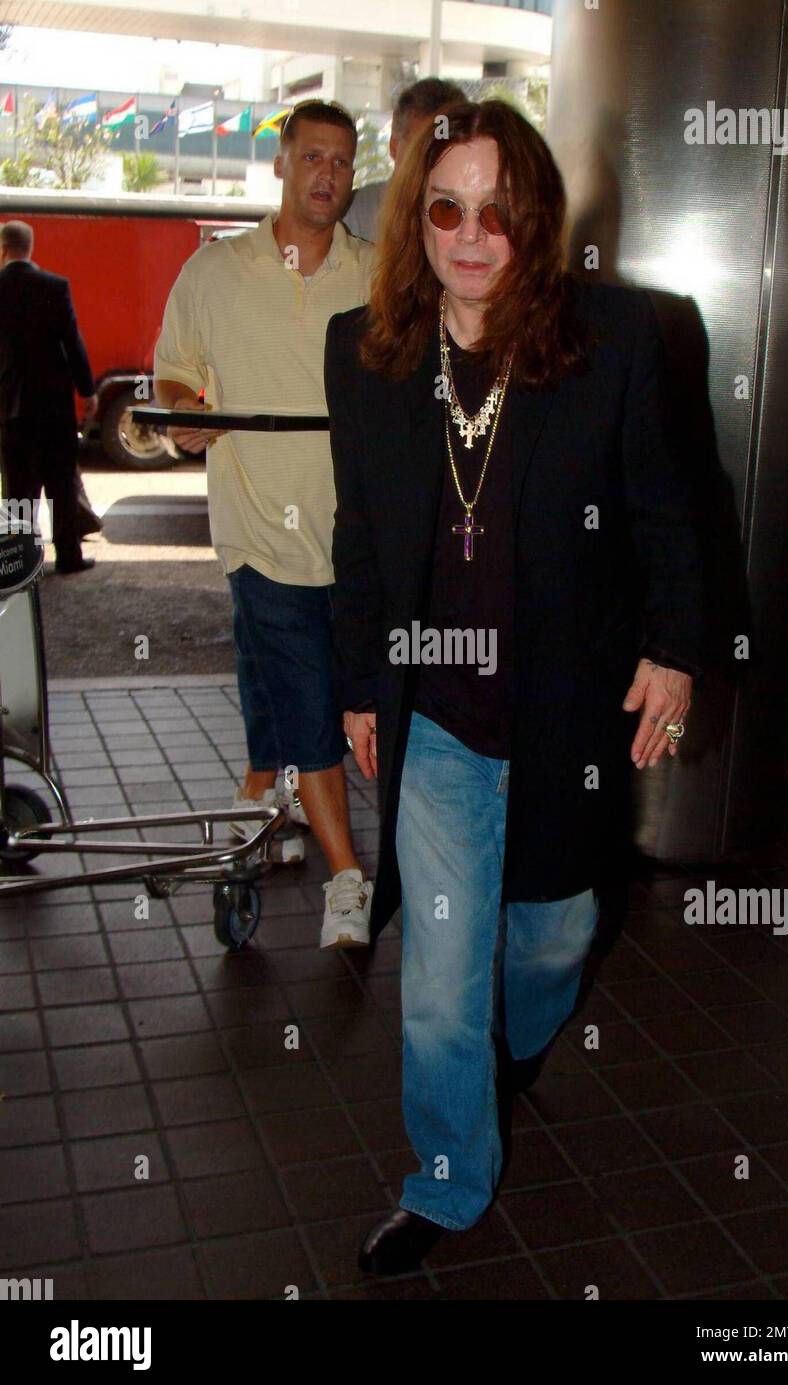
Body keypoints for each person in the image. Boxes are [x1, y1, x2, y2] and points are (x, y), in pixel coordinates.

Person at [325, 99, 706, 1274]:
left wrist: (676, 649)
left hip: (563, 720)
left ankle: (509, 1057)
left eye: (499, 210)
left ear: (533, 220)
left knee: (548, 944)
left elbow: (670, 515)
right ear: (416, 220)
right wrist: (355, 683)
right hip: (435, 718)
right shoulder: (366, 349)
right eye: (446, 207)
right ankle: (446, 1181)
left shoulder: (616, 340)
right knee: (440, 986)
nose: (472, 233)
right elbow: (360, 540)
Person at [154, 100, 376, 949]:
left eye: (343, 161)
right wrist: (186, 413)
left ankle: (253, 802)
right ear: (281, 164)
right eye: (313, 156)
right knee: (313, 697)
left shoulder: (375, 275)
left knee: (275, 682)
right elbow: (172, 376)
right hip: (258, 533)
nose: (328, 174)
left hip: (354, 543)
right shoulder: (214, 273)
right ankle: (347, 881)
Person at [0, 220, 98, 573]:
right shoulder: (55, 287)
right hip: (53, 408)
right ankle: (68, 557)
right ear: (30, 247)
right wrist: (88, 391)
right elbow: (73, 344)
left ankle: (19, 563)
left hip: (10, 409)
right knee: (61, 485)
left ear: (3, 249)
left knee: (19, 491)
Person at [345, 77, 465, 243]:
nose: (430, 162)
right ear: (394, 147)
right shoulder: (352, 215)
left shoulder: (472, 219)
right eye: (417, 150)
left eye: (443, 149)